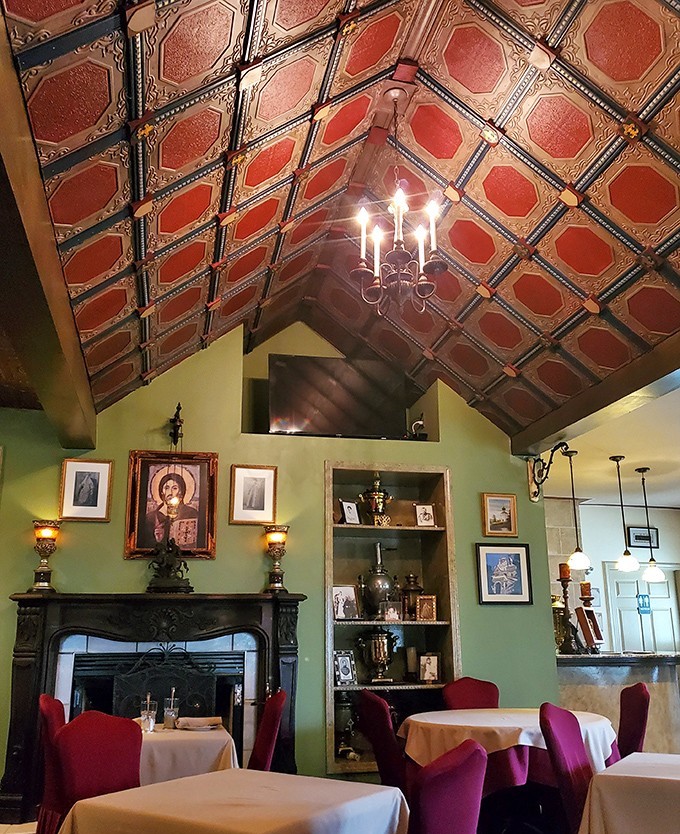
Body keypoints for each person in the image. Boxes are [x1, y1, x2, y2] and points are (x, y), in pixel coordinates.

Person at [141, 472, 198, 549]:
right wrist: (158, 540)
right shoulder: (150, 517)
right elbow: (145, 544)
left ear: (181, 492)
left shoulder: (191, 513)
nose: (170, 492)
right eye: (166, 488)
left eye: (174, 488)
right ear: (162, 492)